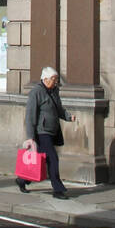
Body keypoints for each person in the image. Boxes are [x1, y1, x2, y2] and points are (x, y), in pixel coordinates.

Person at [18, 66, 77, 200]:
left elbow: (58, 109)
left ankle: (22, 180)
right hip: (41, 132)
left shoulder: (54, 91)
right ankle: (58, 189)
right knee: (52, 158)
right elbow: (30, 116)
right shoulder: (36, 92)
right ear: (45, 79)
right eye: (53, 79)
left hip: (52, 131)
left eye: (56, 79)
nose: (55, 82)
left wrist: (68, 117)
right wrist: (30, 137)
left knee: (40, 161)